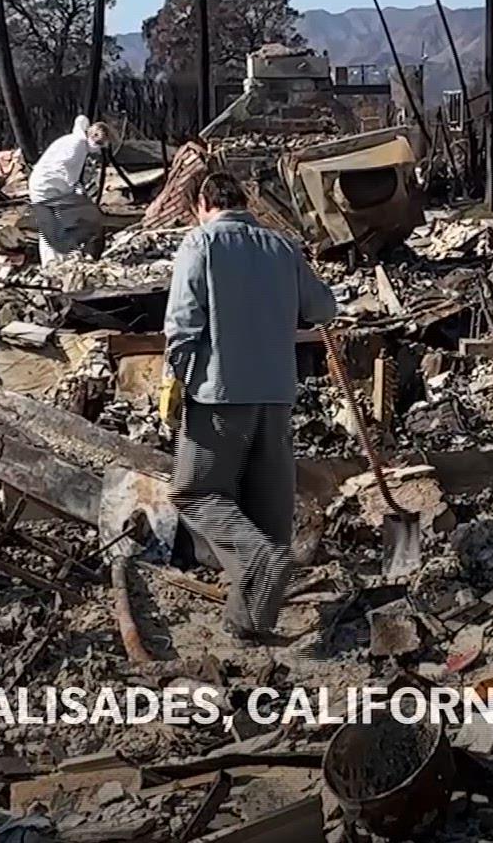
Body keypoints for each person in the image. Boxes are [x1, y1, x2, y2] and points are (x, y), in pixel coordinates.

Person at [161, 172, 336, 640]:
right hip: (277, 393)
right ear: (244, 200)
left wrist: (175, 380)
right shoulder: (282, 248)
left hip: (219, 393)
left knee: (195, 492)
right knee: (267, 511)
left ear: (203, 202)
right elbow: (323, 309)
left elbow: (181, 324)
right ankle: (247, 625)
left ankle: (257, 563)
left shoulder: (201, 244)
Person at [28, 114, 114, 266]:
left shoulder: (74, 141)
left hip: (48, 185)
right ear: (93, 136)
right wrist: (75, 192)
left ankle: (58, 260)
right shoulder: (78, 144)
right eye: (100, 143)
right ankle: (53, 263)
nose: (98, 149)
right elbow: (66, 172)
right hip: (47, 186)